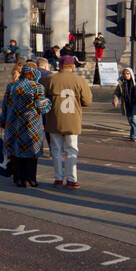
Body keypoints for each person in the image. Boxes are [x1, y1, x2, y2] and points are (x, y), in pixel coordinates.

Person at [0, 63, 51, 188]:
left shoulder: (12, 86)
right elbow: (42, 107)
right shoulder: (37, 86)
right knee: (32, 152)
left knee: (16, 151)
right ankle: (31, 179)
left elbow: (4, 105)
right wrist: (48, 102)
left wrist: (2, 121)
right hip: (30, 124)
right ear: (34, 73)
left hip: (13, 124)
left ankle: (18, 179)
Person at [44, 53, 92, 187]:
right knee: (71, 149)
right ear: (72, 66)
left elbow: (42, 98)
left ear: (60, 66)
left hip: (55, 119)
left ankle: (58, 178)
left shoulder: (50, 79)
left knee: (56, 149)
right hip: (73, 119)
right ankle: (71, 179)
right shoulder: (80, 80)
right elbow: (87, 102)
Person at [113, 66, 136, 141]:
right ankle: (134, 133)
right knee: (130, 120)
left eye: (128, 73)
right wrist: (115, 100)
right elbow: (116, 93)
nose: (126, 75)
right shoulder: (122, 83)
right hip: (127, 104)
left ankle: (134, 135)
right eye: (125, 74)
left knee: (134, 119)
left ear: (131, 74)